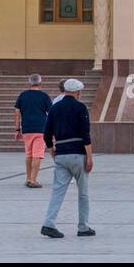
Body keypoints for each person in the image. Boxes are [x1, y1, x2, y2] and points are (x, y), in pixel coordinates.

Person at [40, 78, 95, 239]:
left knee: (57, 192)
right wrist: (90, 157)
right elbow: (85, 134)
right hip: (78, 154)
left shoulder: (55, 108)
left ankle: (48, 224)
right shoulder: (80, 107)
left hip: (61, 154)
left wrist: (52, 151)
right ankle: (83, 227)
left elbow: (46, 134)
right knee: (83, 193)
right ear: (77, 92)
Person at [13, 73, 53, 188]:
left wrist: (17, 129)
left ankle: (28, 178)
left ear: (29, 83)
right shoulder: (44, 96)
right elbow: (51, 113)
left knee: (29, 154)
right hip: (40, 129)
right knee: (38, 155)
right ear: (40, 83)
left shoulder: (23, 95)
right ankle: (33, 180)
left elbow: (16, 113)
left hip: (27, 129)